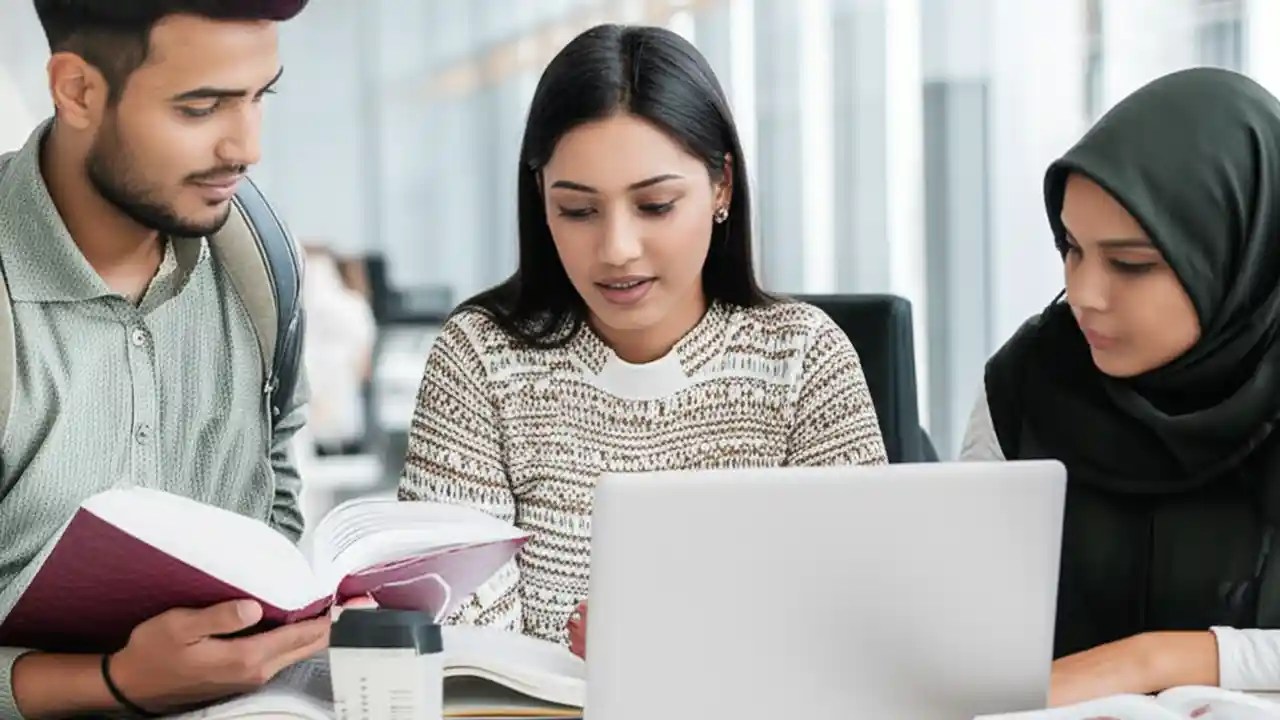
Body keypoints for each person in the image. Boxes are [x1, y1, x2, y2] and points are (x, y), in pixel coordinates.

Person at [398, 23, 888, 659]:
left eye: (654, 205)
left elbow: (857, 623)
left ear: (722, 187)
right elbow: (458, 639)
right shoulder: (479, 359)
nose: (616, 251)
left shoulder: (803, 361)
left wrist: (673, 649)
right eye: (578, 211)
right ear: (541, 201)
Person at [0, 2, 328, 717]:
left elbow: (275, 492)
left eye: (258, 97)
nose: (246, 147)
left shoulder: (260, 267)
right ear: (78, 91)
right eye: (201, 107)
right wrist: (113, 683)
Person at [961, 67, 1280, 706]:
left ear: (1235, 253)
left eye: (1131, 265)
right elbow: (962, 611)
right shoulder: (1030, 378)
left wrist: (1151, 659)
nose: (1083, 295)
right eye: (1071, 249)